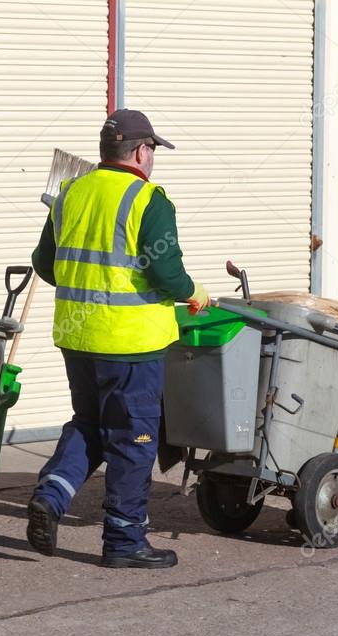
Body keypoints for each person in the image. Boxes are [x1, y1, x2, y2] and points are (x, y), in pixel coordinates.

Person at [27, 109, 210, 569]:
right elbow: (166, 273)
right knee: (133, 439)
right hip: (130, 345)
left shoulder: (72, 193)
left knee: (89, 423)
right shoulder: (149, 200)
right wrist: (195, 294)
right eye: (153, 151)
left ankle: (51, 495)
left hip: (76, 336)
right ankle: (125, 543)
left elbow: (45, 265)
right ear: (142, 150)